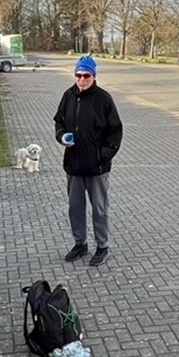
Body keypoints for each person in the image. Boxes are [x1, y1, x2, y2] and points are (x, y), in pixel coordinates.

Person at [53, 54, 123, 267]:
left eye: (86, 76)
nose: (82, 80)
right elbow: (59, 121)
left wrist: (103, 155)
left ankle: (102, 246)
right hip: (73, 164)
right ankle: (80, 243)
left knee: (99, 208)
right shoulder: (68, 95)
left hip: (97, 167)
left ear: (94, 76)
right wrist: (61, 136)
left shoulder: (104, 99)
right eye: (78, 75)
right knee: (75, 207)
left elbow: (115, 131)